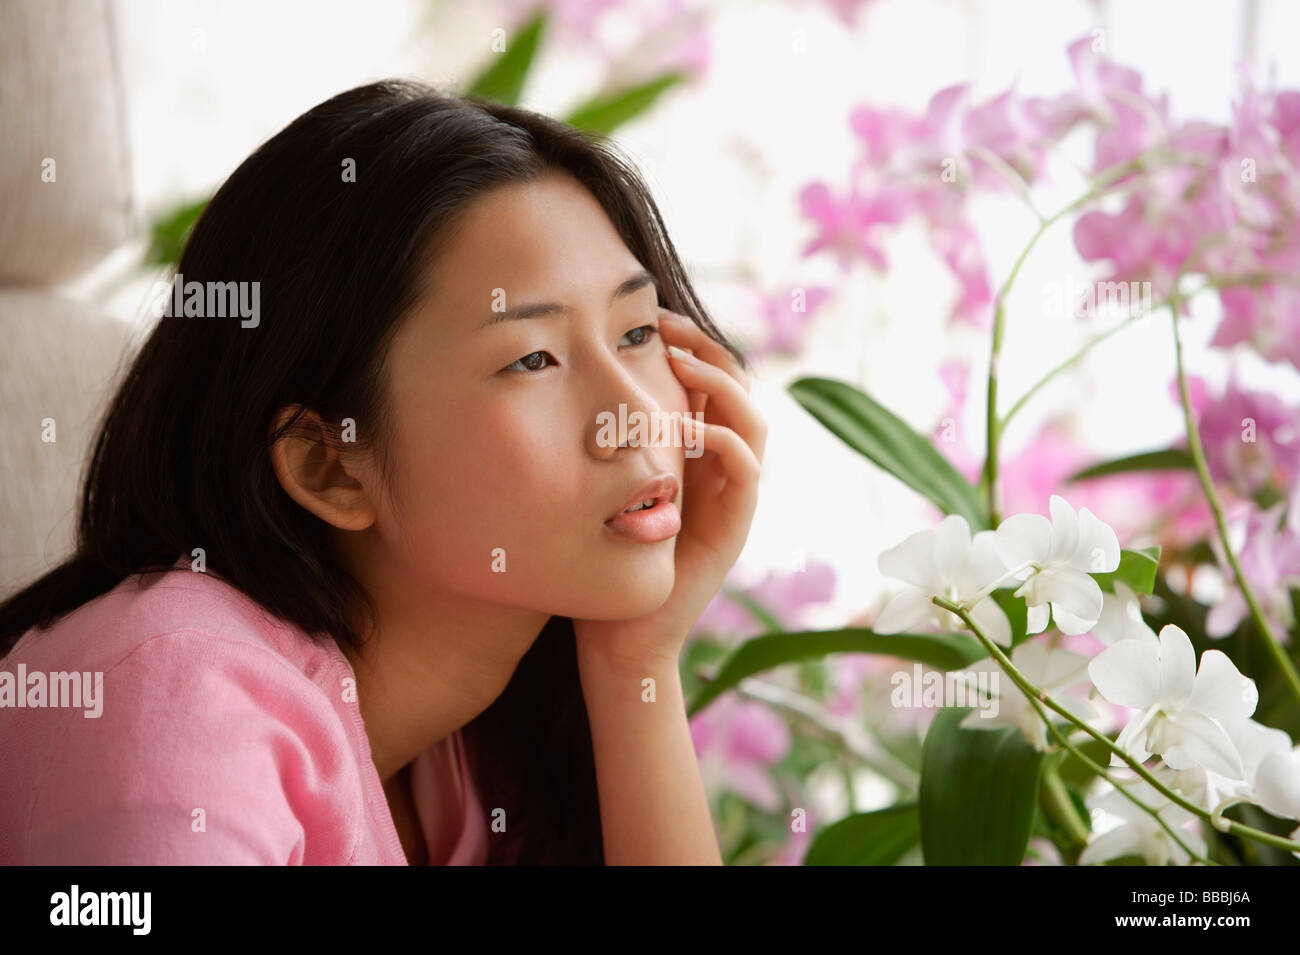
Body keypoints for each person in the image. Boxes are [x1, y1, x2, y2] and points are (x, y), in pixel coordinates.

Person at [0, 79, 765, 865]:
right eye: (533, 357)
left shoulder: (480, 754)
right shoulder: (172, 697)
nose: (633, 414)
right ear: (329, 465)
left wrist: (633, 664)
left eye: (638, 330)